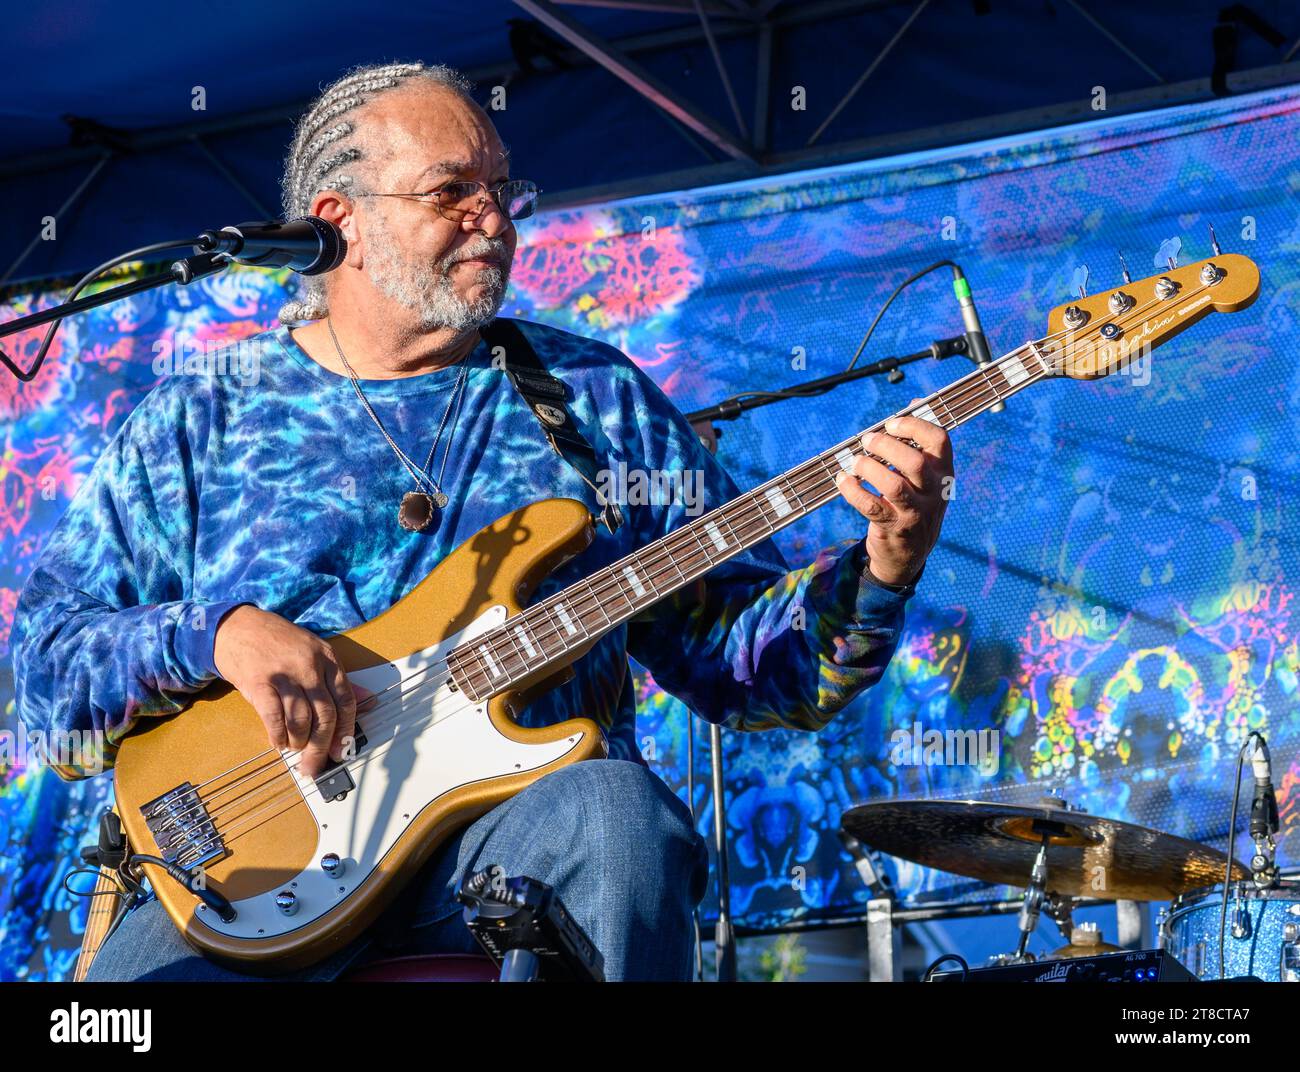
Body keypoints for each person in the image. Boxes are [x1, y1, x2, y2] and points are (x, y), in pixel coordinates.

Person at [10, 62, 954, 982]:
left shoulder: (591, 401)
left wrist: (882, 569)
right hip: (240, 857)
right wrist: (218, 634)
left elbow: (750, 669)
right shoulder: (203, 415)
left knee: (622, 816)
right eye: (451, 191)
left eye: (504, 191)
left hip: (515, 837)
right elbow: (47, 671)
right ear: (341, 224)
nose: (494, 220)